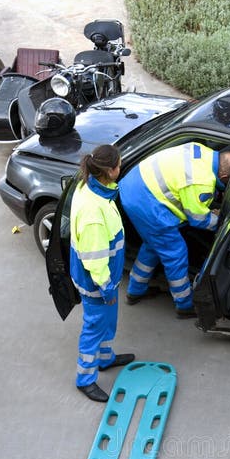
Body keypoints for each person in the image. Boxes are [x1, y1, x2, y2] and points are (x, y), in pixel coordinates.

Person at [118, 142, 230, 317]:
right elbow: (198, 220)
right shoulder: (201, 182)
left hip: (133, 185)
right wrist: (224, 222)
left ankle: (135, 290)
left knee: (153, 244)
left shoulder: (203, 151)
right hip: (146, 202)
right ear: (225, 176)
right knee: (175, 252)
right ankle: (184, 304)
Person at [70, 144, 135, 402]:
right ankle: (85, 379)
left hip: (108, 279)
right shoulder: (93, 214)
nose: (121, 167)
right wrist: (106, 287)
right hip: (97, 283)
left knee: (108, 321)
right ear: (110, 171)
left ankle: (105, 358)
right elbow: (95, 260)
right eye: (119, 164)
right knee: (95, 326)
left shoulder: (91, 186)